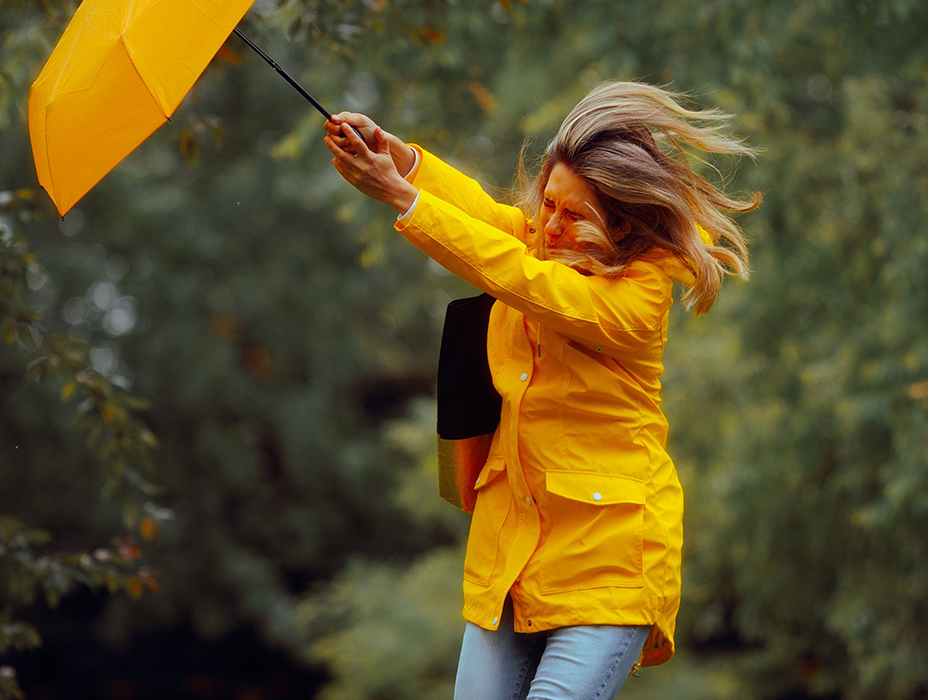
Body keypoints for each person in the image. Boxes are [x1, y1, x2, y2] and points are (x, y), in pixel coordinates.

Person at [323, 81, 758, 700]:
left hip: (610, 565)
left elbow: (514, 275)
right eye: (547, 203)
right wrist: (403, 160)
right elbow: (483, 218)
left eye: (573, 214)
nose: (548, 226)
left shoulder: (637, 299)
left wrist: (401, 197)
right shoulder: (545, 243)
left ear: (624, 223)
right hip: (513, 559)